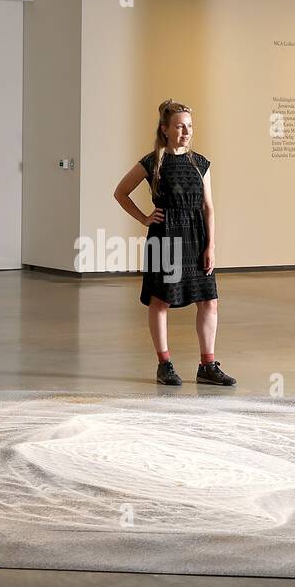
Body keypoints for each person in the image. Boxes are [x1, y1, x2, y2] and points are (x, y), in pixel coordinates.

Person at [112, 99, 236, 387]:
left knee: (209, 302)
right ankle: (164, 364)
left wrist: (211, 246)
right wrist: (144, 218)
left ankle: (207, 365)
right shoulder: (153, 161)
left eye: (189, 126)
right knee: (161, 300)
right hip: (165, 235)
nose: (186, 132)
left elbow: (208, 208)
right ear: (165, 129)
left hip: (196, 236)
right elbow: (120, 192)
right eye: (180, 126)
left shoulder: (200, 163)